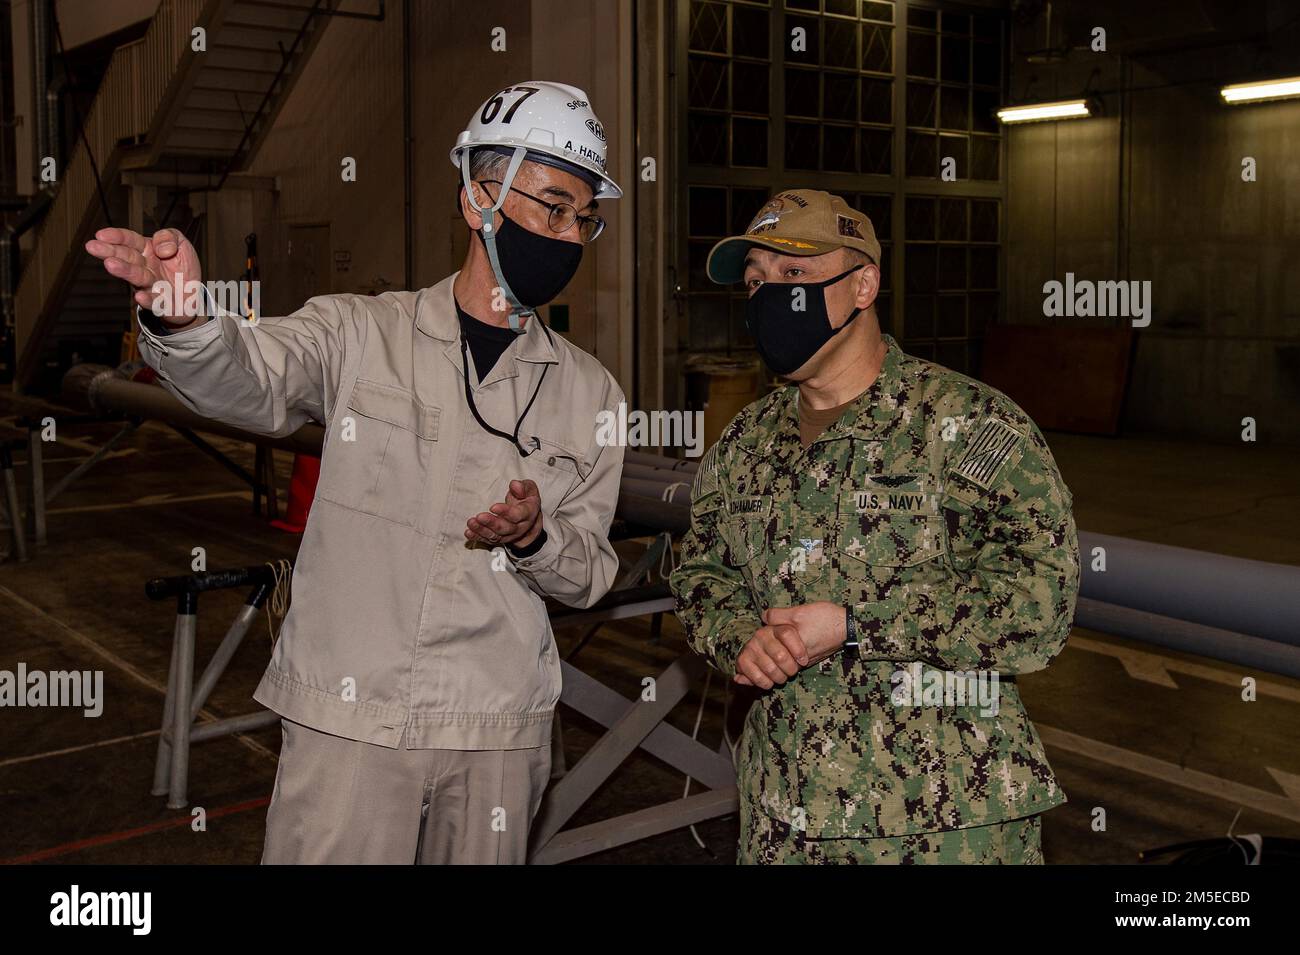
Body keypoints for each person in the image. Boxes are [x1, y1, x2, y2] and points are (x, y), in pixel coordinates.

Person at [85, 81, 626, 864]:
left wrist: (539, 538)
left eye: (584, 217)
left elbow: (589, 573)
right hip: (351, 724)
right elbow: (253, 377)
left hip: (494, 736)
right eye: (551, 207)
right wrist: (187, 322)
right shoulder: (359, 332)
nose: (569, 235)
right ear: (481, 198)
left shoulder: (590, 392)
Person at [669, 189, 1079, 864]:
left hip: (945, 830)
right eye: (755, 283)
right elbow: (702, 574)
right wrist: (738, 637)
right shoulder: (745, 442)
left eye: (794, 276)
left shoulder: (968, 425)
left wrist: (859, 624)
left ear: (863, 284)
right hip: (784, 822)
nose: (770, 297)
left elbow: (1041, 604)